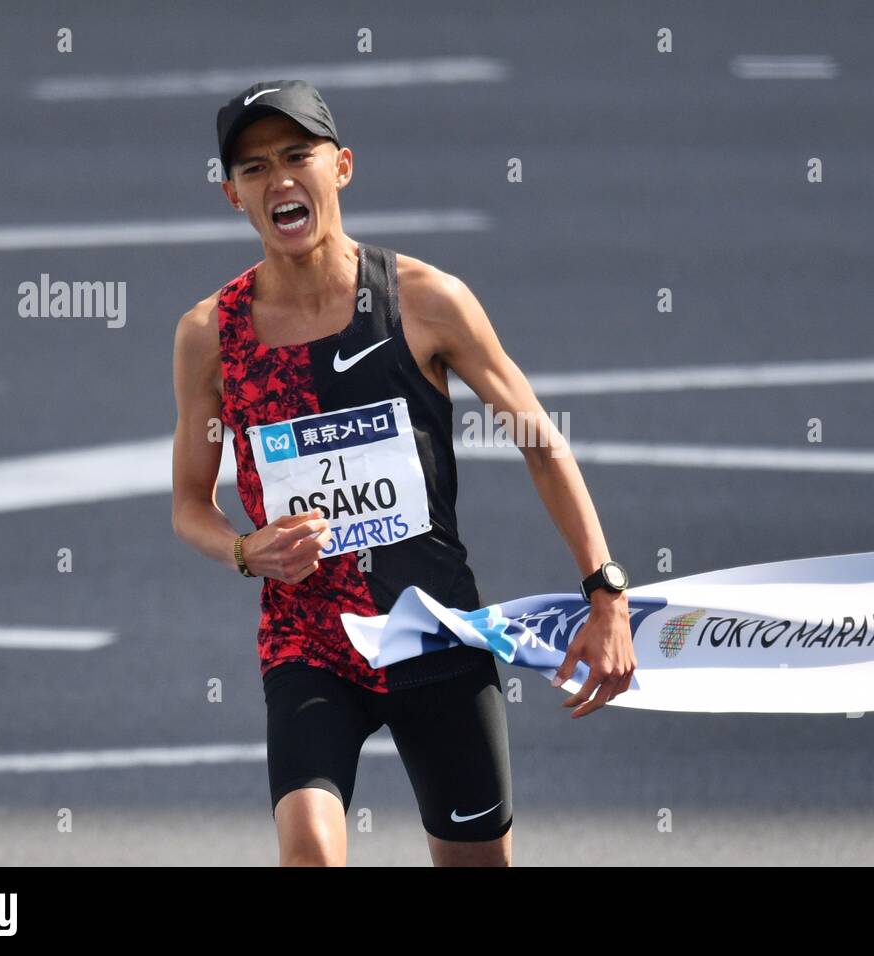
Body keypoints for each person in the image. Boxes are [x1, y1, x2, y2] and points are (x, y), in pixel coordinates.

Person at [171, 79, 636, 867]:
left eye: (297, 156)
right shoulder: (209, 334)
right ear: (231, 195)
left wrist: (606, 592)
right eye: (253, 168)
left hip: (435, 632)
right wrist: (248, 551)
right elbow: (189, 504)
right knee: (311, 854)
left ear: (341, 167)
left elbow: (541, 442)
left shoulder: (426, 300)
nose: (279, 179)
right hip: (308, 641)